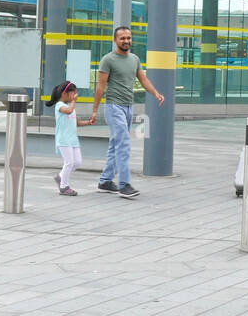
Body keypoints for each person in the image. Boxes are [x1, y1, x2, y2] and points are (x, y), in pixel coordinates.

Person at [90, 25, 165, 199]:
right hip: (113, 107)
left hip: (128, 107)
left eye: (128, 38)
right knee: (123, 144)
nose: (126, 41)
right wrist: (94, 110)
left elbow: (143, 79)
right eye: (122, 38)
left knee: (115, 145)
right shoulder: (108, 60)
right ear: (115, 40)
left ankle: (105, 181)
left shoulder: (134, 59)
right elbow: (100, 87)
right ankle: (124, 185)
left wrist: (156, 93)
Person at [46, 81, 94, 195]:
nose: (75, 96)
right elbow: (68, 111)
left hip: (73, 140)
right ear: (64, 94)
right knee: (69, 162)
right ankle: (64, 187)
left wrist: (88, 122)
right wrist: (73, 101)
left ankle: (61, 177)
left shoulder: (71, 107)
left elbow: (77, 123)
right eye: (73, 93)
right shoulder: (60, 105)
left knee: (77, 162)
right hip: (63, 139)